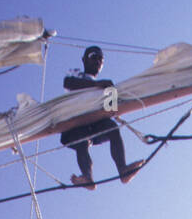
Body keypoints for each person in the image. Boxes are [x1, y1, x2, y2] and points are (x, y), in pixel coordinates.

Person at [59, 45, 142, 189]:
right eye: (93, 57)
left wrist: (113, 97)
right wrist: (97, 84)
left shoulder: (107, 85)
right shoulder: (76, 74)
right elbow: (68, 83)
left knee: (112, 128)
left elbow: (111, 111)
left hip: (94, 123)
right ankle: (87, 177)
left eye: (100, 59)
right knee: (82, 141)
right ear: (84, 60)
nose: (97, 61)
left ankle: (123, 170)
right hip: (75, 124)